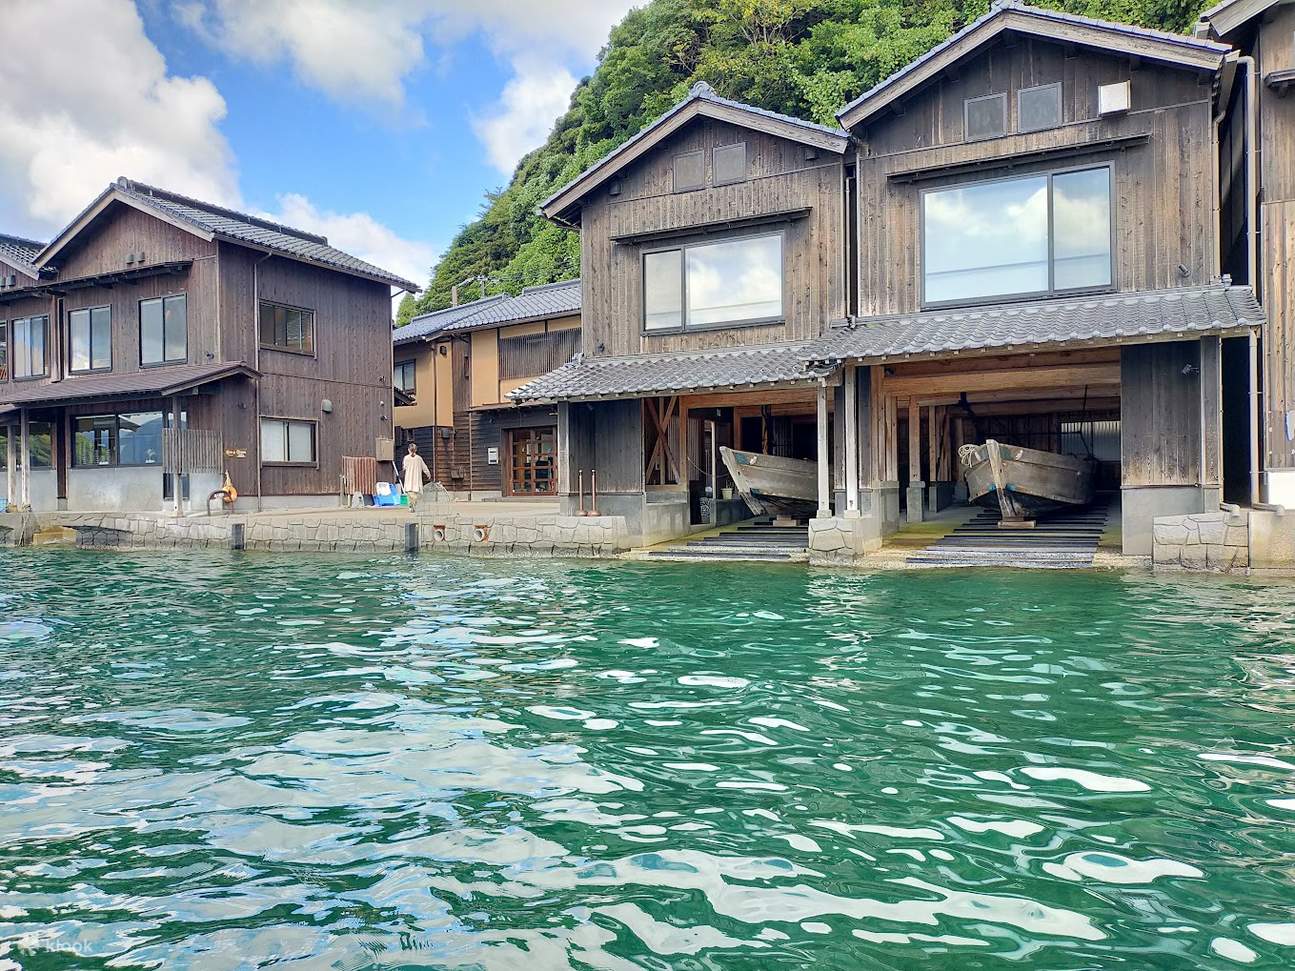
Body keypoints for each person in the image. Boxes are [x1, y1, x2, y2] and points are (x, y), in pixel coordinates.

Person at [400, 443, 431, 512]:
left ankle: (411, 506)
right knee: (416, 494)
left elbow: (404, 467)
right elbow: (424, 467)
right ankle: (413, 505)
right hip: (416, 478)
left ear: (408, 450)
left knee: (409, 494)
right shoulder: (419, 458)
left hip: (409, 478)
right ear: (416, 450)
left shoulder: (406, 458)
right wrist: (428, 473)